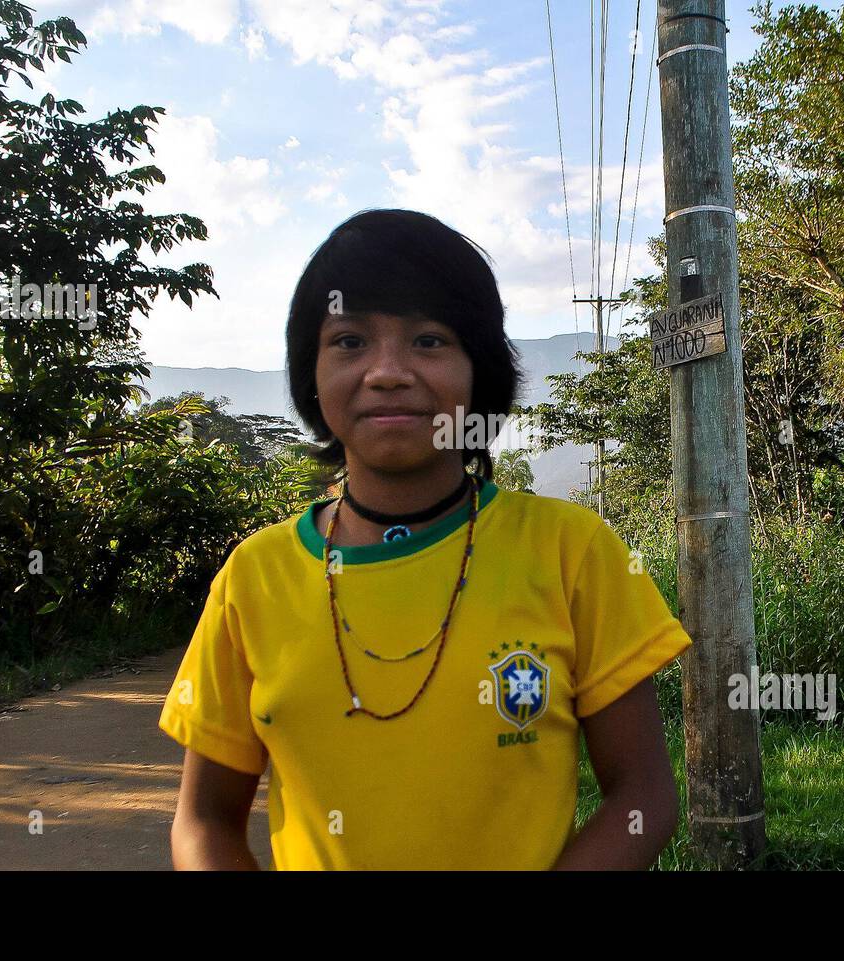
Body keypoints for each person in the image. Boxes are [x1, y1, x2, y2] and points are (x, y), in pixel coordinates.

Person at [160, 208, 692, 870]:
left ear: (479, 370)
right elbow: (204, 819)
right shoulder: (252, 578)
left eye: (430, 341)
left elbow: (644, 798)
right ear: (311, 373)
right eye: (350, 341)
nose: (387, 371)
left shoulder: (571, 552)